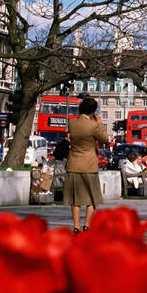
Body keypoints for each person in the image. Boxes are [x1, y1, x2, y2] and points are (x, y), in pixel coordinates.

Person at [65, 96, 109, 233]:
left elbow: (70, 138)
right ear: (93, 111)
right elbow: (106, 139)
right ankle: (87, 225)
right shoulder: (94, 125)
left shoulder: (71, 123)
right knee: (92, 197)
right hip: (89, 164)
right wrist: (100, 122)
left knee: (75, 198)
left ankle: (76, 226)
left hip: (73, 163)